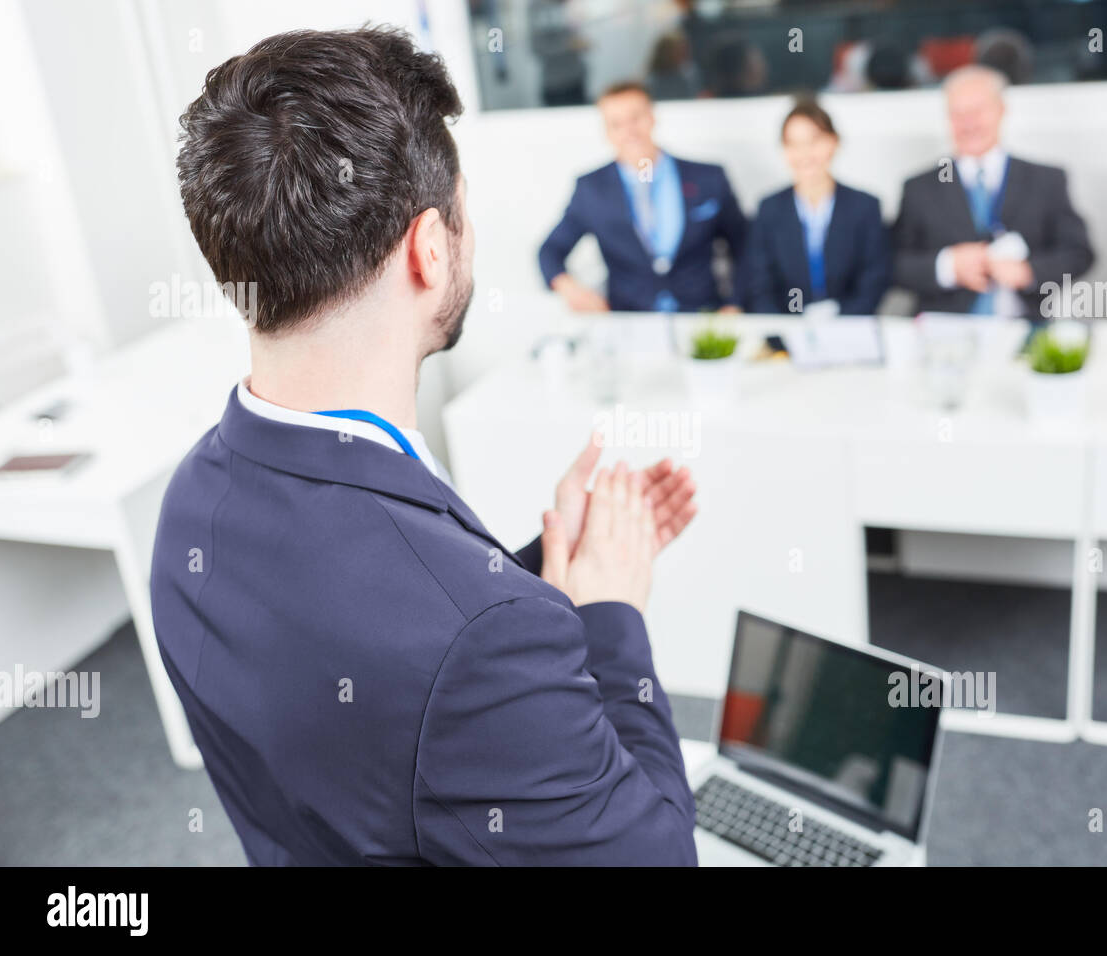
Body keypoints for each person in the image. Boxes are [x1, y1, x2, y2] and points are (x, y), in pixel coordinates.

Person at [155, 27, 701, 866]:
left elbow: (381, 676)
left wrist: (539, 579)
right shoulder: (479, 640)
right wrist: (609, 616)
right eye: (463, 212)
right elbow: (656, 855)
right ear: (431, 249)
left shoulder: (189, 505)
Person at [891, 65, 1095, 320]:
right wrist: (947, 266)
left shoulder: (1046, 180)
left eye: (977, 111)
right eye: (957, 114)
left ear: (1001, 110)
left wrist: (1028, 271)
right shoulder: (919, 188)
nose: (968, 123)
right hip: (943, 333)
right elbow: (891, 264)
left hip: (1025, 327)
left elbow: (1079, 253)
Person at [538, 81, 747, 313]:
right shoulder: (591, 189)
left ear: (652, 117)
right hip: (629, 318)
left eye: (635, 118)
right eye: (616, 124)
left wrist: (735, 304)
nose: (629, 131)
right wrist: (573, 291)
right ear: (606, 132)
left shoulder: (708, 178)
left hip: (703, 318)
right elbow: (550, 251)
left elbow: (747, 246)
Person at [742, 99, 890, 316]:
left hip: (851, 331)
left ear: (834, 142)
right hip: (787, 333)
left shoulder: (865, 207)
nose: (804, 154)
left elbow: (874, 281)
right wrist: (788, 329)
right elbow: (760, 285)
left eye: (814, 141)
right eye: (793, 144)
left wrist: (838, 318)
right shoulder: (769, 209)